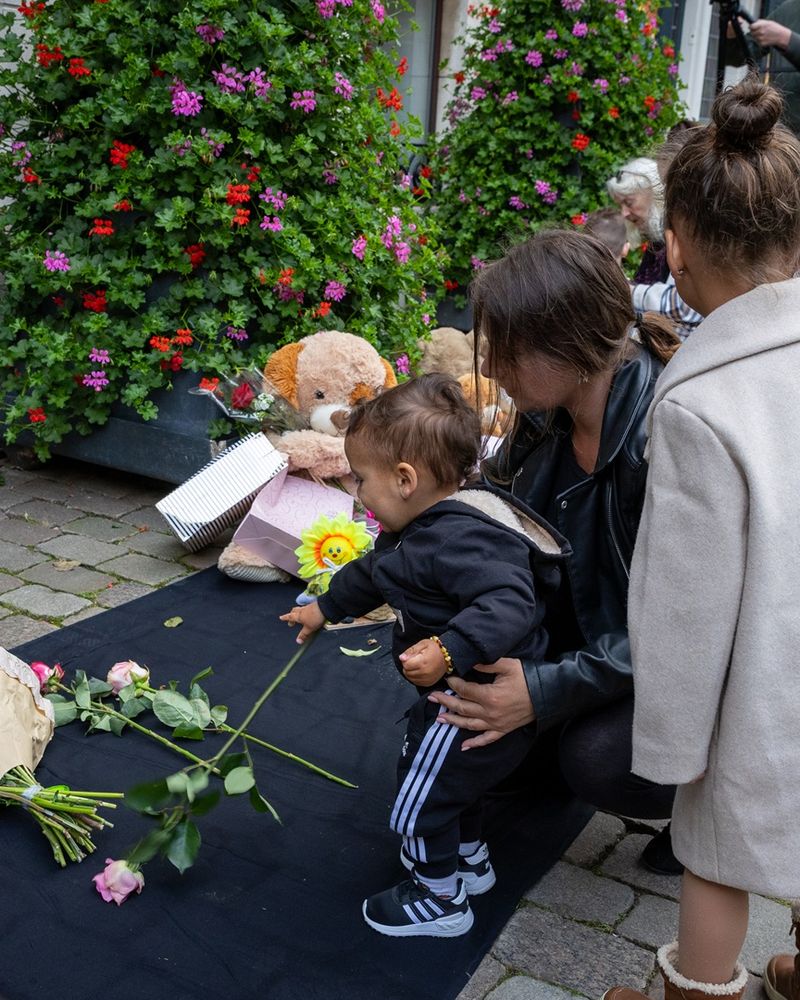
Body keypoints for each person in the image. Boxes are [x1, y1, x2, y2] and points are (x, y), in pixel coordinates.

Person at [603, 76, 800, 1000]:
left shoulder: (703, 400)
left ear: (674, 251)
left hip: (763, 675)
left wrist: (674, 750)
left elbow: (687, 604)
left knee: (716, 847)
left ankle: (700, 991)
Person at [426, 229, 683, 875]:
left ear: (567, 342)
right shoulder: (543, 413)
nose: (488, 368)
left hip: (670, 670)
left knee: (594, 760)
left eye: (506, 347)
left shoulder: (665, 435)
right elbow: (503, 532)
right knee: (466, 705)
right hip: (591, 648)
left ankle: (703, 808)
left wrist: (542, 690)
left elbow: (680, 630)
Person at [280, 373, 569, 939]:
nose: (357, 491)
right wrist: (325, 608)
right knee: (458, 785)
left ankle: (439, 899)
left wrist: (448, 648)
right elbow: (376, 573)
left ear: (405, 479)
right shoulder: (421, 525)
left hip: (470, 698)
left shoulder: (461, 538)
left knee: (420, 792)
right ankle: (468, 860)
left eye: (361, 479)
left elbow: (509, 602)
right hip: (467, 696)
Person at [607, 157, 703, 338]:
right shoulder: (657, 242)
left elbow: (686, 304)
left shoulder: (682, 237)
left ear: (654, 193)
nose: (624, 213)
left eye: (629, 202)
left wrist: (629, 291)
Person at [726, 0, 800, 138]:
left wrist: (785, 38)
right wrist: (733, 35)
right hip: (775, 131)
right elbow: (737, 58)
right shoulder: (790, 9)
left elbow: (782, 37)